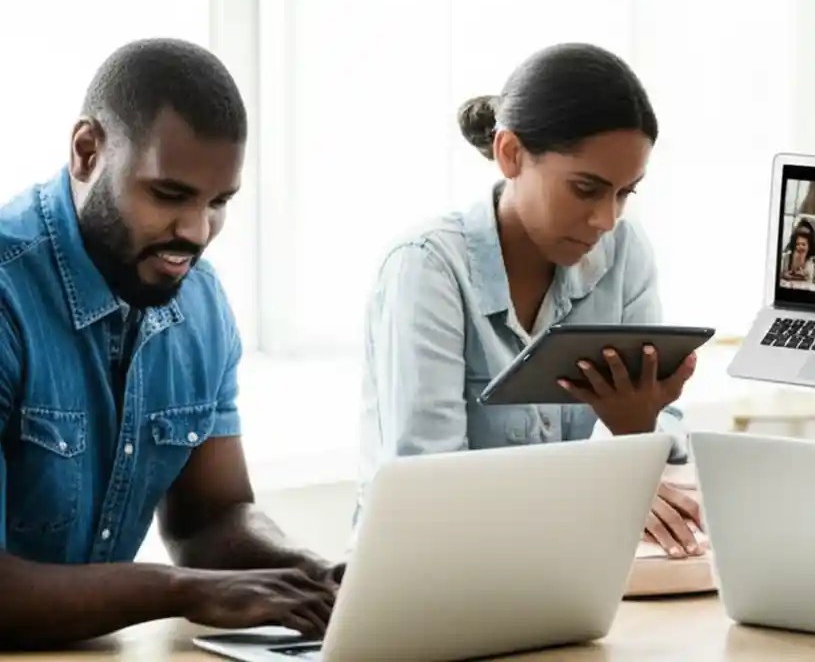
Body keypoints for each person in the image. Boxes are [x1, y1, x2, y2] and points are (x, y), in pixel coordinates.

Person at [0, 39, 341, 648]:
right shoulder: (7, 294)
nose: (196, 232)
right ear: (87, 152)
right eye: (169, 195)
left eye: (219, 203)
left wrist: (308, 573)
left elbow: (210, 517)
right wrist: (185, 590)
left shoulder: (200, 303)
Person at [359, 43, 706, 560]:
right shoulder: (427, 267)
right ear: (510, 153)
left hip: (563, 566)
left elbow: (661, 436)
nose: (607, 219)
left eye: (625, 193)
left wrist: (637, 430)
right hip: (432, 571)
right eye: (586, 189)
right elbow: (429, 485)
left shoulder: (625, 253)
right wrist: (608, 486)